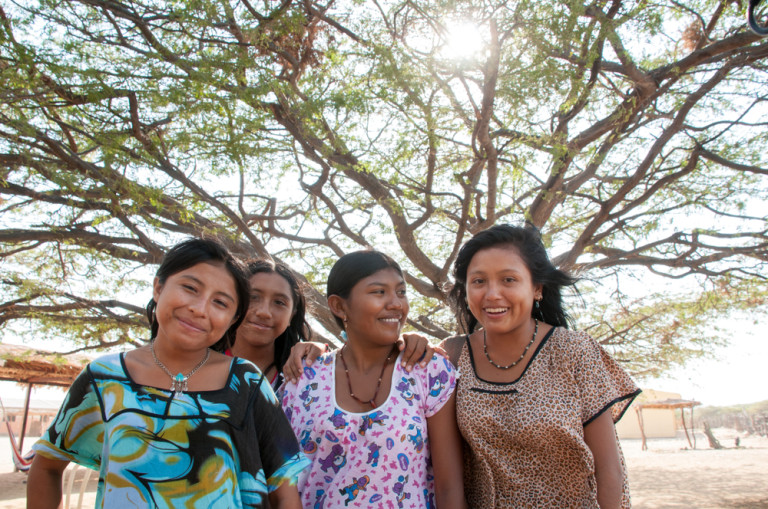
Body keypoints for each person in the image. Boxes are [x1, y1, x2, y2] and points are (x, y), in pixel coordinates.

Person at [27, 238, 308, 509]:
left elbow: (284, 491)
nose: (199, 309)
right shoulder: (103, 378)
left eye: (220, 302)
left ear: (233, 319)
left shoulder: (245, 382)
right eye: (190, 288)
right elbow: (48, 465)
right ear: (158, 287)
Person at [440, 224, 641, 509]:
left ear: (537, 288)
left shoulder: (574, 351)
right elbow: (449, 480)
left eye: (509, 279)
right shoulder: (451, 355)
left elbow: (610, 470)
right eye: (478, 281)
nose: (492, 294)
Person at [281, 250, 467, 508]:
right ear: (338, 306)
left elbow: (450, 488)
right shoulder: (302, 377)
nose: (395, 304)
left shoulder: (428, 370)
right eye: (379, 292)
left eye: (401, 292)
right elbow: (284, 481)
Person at [232, 258, 437, 392]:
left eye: (279, 302)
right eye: (253, 297)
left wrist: (403, 341)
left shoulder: (302, 375)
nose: (263, 312)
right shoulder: (202, 361)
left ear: (293, 313)